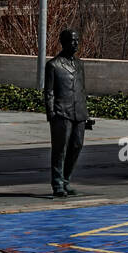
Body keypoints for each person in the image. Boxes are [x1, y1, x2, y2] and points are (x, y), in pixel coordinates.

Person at [44, 29, 91, 197]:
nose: (75, 44)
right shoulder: (53, 65)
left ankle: (65, 180)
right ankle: (57, 184)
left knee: (77, 146)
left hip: (79, 113)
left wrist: (86, 113)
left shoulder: (80, 64)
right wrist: (51, 114)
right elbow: (48, 92)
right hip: (61, 112)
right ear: (63, 43)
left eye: (77, 40)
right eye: (72, 41)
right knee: (60, 149)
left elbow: (82, 90)